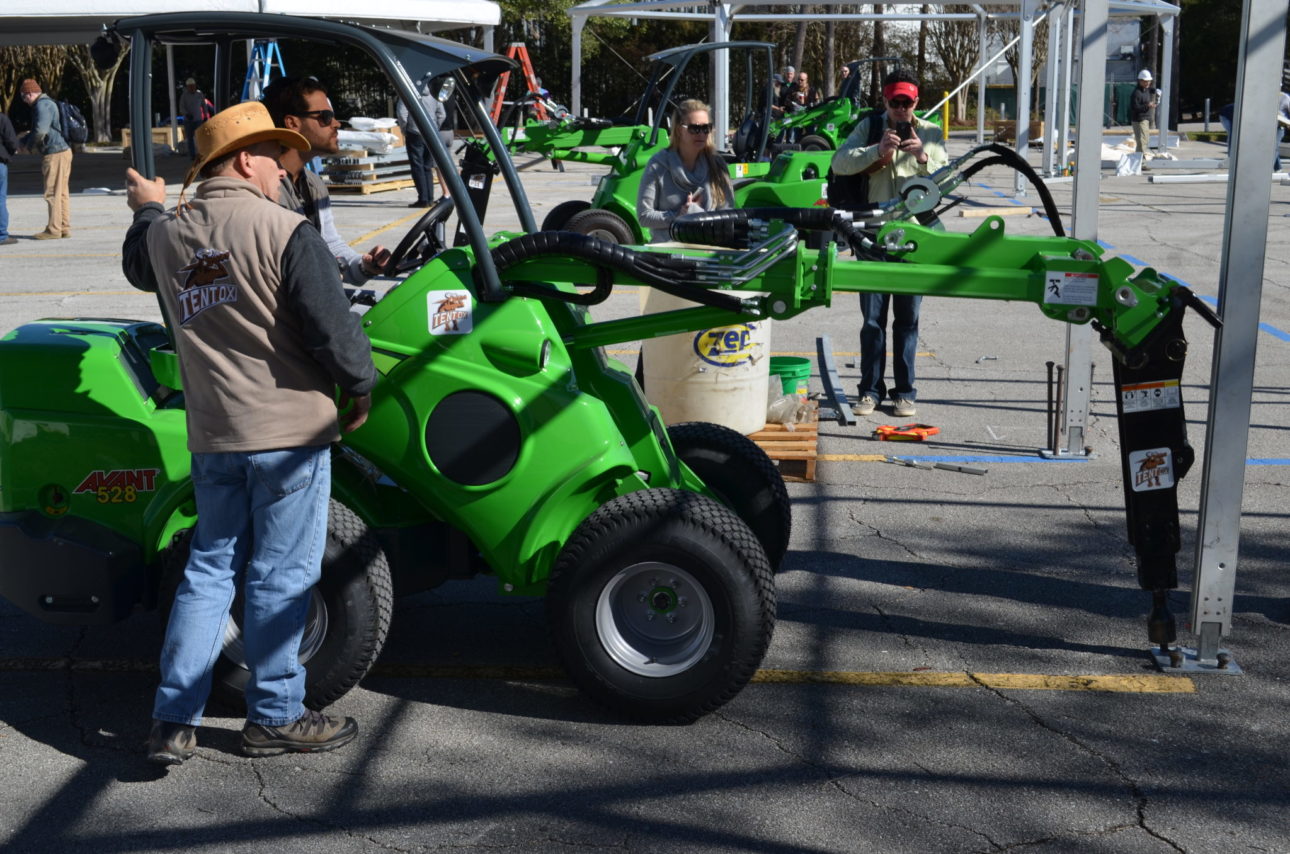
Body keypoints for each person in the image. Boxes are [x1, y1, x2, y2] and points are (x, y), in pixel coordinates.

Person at [121, 101, 378, 765]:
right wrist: (360, 387)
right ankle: (275, 715)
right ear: (243, 160)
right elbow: (335, 331)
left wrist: (147, 205)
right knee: (281, 575)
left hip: (214, 436)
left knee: (209, 572)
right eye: (274, 156)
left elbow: (136, 259)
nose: (283, 168)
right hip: (289, 435)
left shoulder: (169, 236)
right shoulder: (284, 229)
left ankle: (173, 720)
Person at [831, 69, 948, 419]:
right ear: (884, 100)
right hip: (873, 237)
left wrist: (924, 157)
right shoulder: (869, 127)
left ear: (916, 102)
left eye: (907, 102)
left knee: (908, 322)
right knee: (872, 321)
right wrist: (875, 150)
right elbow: (839, 162)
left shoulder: (929, 133)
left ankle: (905, 392)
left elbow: (947, 177)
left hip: (915, 240)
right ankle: (869, 390)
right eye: (894, 101)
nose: (900, 108)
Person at [261, 76, 389, 284]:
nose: (336, 124)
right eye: (326, 117)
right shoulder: (264, 188)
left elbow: (330, 246)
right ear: (292, 123)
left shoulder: (313, 184)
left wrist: (364, 266)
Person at [636, 99, 736, 243]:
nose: (701, 134)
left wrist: (697, 216)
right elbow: (644, 216)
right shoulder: (658, 165)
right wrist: (678, 216)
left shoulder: (717, 165)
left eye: (706, 128)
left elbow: (728, 215)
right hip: (668, 251)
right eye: (694, 128)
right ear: (679, 130)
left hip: (707, 250)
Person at [18, 78, 72, 240]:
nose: (24, 101)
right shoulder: (47, 103)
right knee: (61, 193)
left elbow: (40, 131)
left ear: (28, 94)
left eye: (23, 97)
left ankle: (53, 230)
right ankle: (64, 227)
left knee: (52, 193)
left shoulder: (42, 105)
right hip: (62, 151)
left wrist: (28, 146)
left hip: (54, 153)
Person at [396, 74, 448, 207]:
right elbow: (442, 114)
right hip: (431, 134)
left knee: (417, 166)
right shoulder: (433, 94)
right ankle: (430, 198)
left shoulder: (408, 92)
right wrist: (435, 127)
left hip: (415, 132)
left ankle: (423, 199)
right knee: (427, 166)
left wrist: (404, 129)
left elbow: (402, 113)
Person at [177, 78, 209, 160]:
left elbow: (204, 105)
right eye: (190, 86)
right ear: (187, 87)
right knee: (190, 138)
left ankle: (202, 153)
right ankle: (192, 155)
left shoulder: (199, 94)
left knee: (200, 137)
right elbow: (181, 107)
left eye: (193, 86)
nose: (192, 88)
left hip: (198, 119)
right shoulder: (184, 96)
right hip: (188, 121)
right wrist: (186, 114)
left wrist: (205, 116)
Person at [1130, 69, 1158, 159]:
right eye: (1146, 81)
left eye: (1149, 81)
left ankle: (1139, 160)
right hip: (1139, 120)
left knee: (1143, 140)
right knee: (1142, 140)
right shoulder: (1136, 93)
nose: (1148, 83)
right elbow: (1135, 108)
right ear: (1140, 81)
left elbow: (1151, 89)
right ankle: (1141, 160)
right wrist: (1148, 105)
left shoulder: (1147, 89)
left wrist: (1157, 91)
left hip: (1145, 119)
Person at [0, 112, 18, 246]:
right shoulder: (2, 118)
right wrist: (9, 153)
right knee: (0, 199)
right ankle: (1, 235)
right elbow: (11, 141)